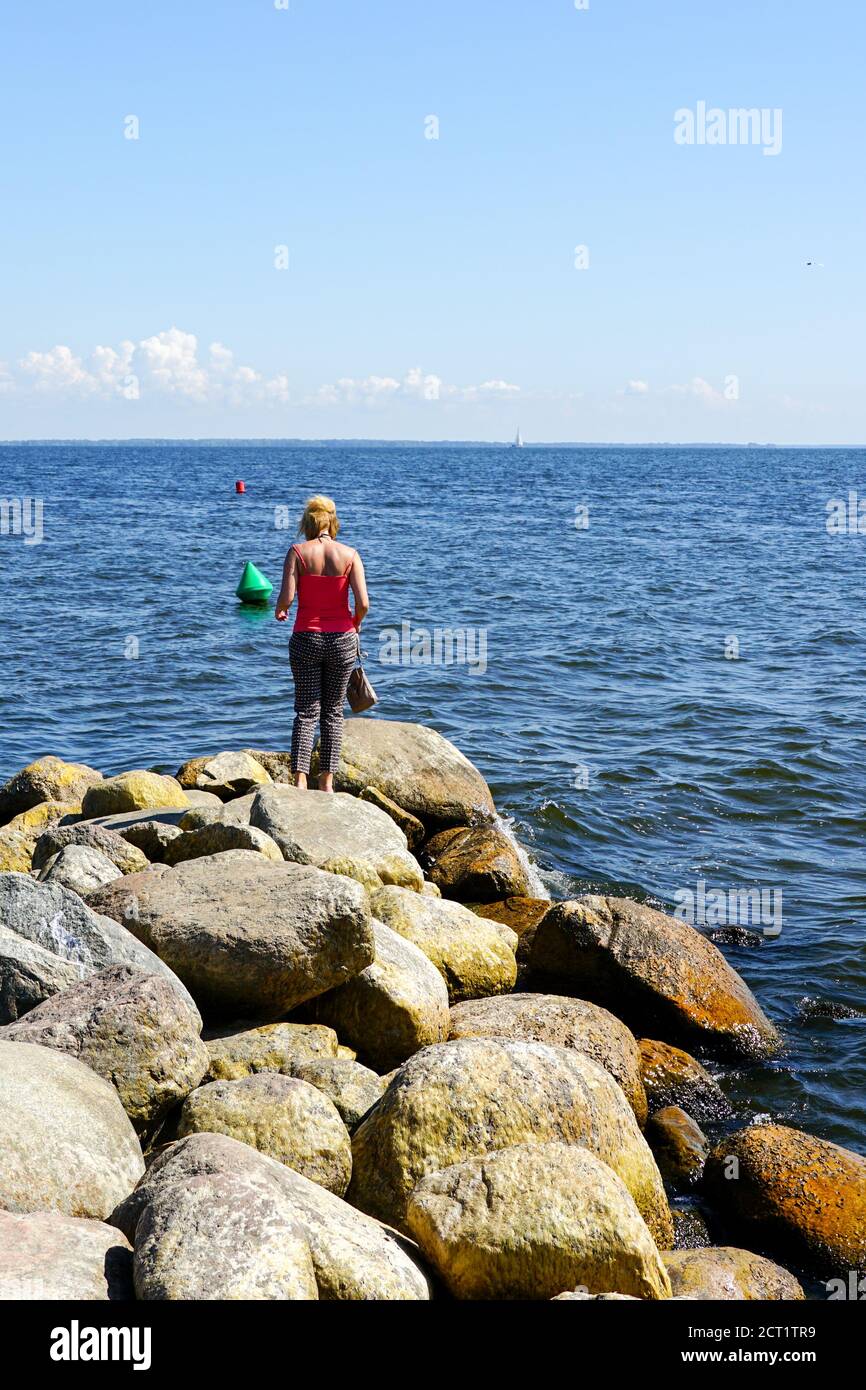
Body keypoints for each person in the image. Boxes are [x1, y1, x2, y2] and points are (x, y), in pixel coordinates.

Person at [275, 495, 369, 791]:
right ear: (333, 522)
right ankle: (327, 782)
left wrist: (281, 609)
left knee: (305, 711)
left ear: (307, 522)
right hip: (342, 639)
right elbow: (364, 603)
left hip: (306, 637)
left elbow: (287, 598)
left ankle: (300, 780)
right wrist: (354, 624)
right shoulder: (350, 554)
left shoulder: (298, 552)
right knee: (333, 712)